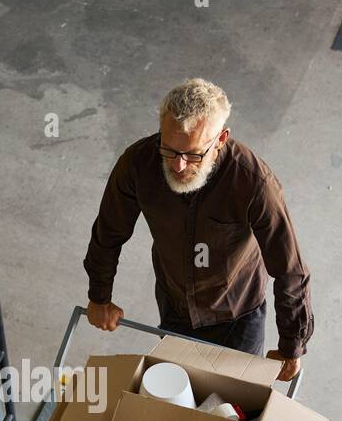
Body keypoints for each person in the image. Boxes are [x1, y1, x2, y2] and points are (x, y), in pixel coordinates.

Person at [83, 78, 313, 380]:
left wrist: (291, 346)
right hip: (174, 304)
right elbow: (108, 232)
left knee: (234, 407)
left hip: (238, 314)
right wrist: (99, 296)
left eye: (192, 154)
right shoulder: (137, 164)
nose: (178, 166)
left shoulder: (254, 183)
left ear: (220, 139)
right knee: (175, 394)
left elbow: (290, 269)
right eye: (169, 150)